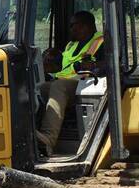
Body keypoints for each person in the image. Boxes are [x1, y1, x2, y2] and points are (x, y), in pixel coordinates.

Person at [37, 11, 104, 154]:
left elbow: (110, 62)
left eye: (74, 25)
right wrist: (50, 61)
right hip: (67, 83)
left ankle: (48, 138)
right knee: (38, 88)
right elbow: (63, 66)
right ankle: (32, 132)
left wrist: (92, 65)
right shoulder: (71, 45)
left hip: (87, 83)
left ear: (86, 26)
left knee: (58, 86)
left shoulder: (101, 42)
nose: (71, 28)